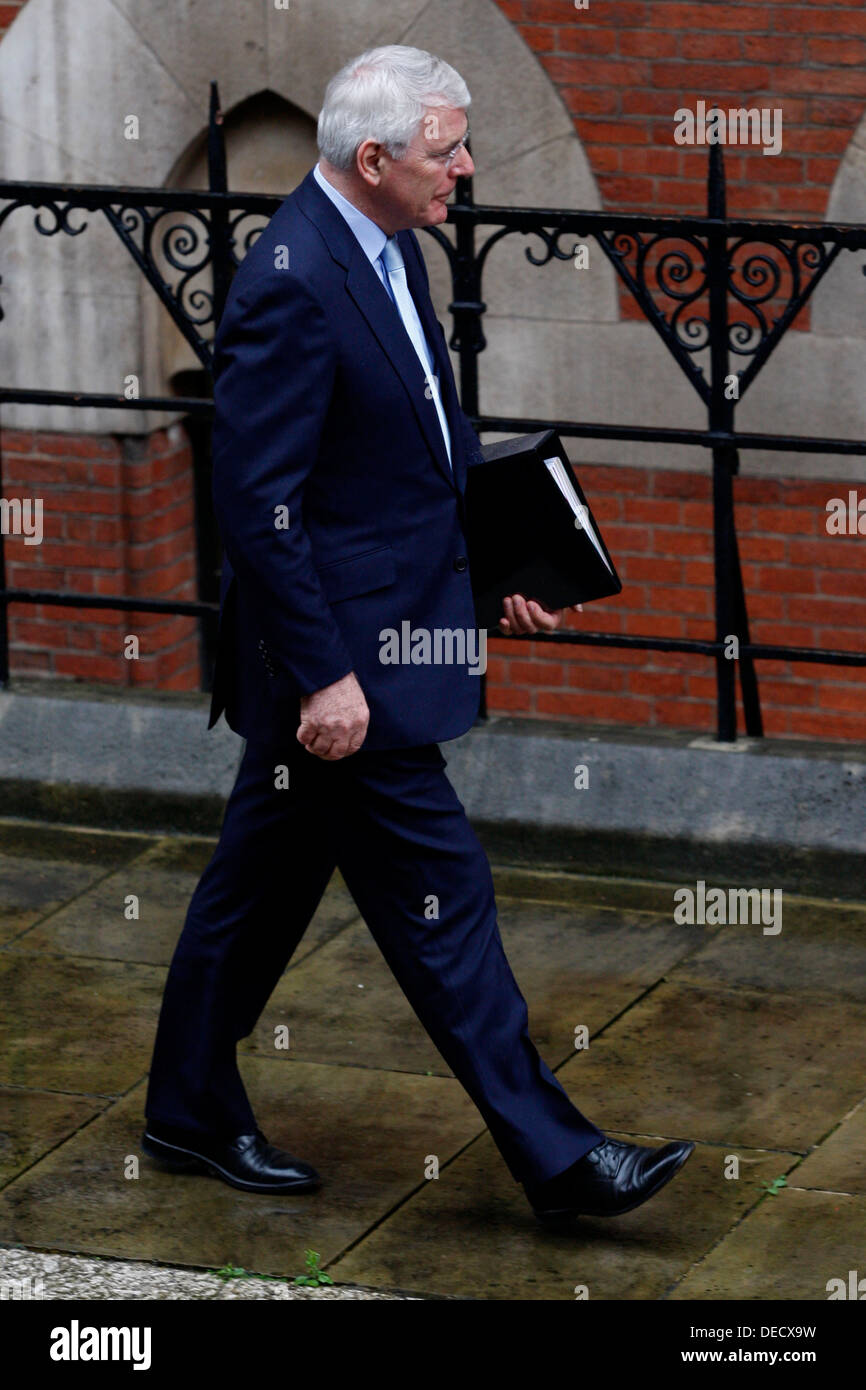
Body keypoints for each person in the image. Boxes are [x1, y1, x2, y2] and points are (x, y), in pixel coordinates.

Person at [142, 45, 694, 1225]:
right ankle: (559, 1157)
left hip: (380, 637)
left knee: (255, 891)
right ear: (375, 156)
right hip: (346, 673)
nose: (468, 167)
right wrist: (328, 677)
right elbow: (258, 502)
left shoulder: (383, 245)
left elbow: (388, 468)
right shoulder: (293, 279)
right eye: (447, 149)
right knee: (443, 897)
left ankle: (185, 1105)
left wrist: (487, 571)